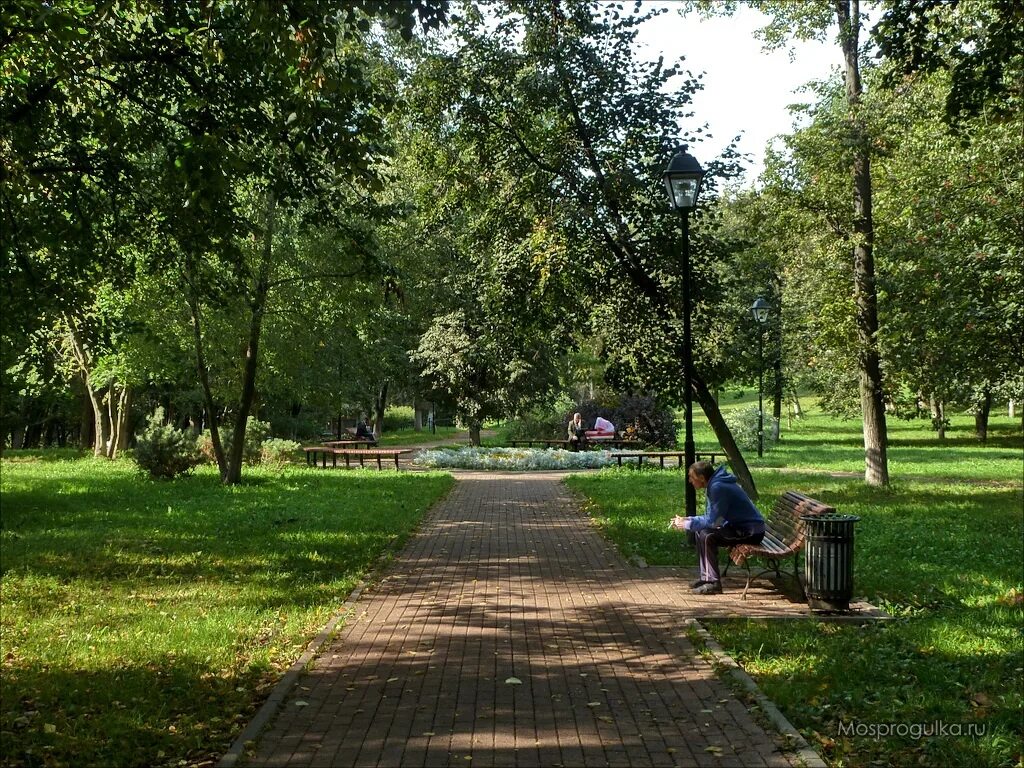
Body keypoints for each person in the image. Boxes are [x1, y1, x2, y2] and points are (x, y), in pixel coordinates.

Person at [670, 460, 765, 595]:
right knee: (701, 533)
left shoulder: (717, 487)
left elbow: (713, 522)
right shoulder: (715, 484)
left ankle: (714, 583)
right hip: (738, 527)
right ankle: (706, 578)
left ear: (702, 478)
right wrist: (689, 519)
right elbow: (716, 518)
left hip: (750, 531)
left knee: (708, 536)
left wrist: (687, 524)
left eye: (691, 477)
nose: (690, 481)